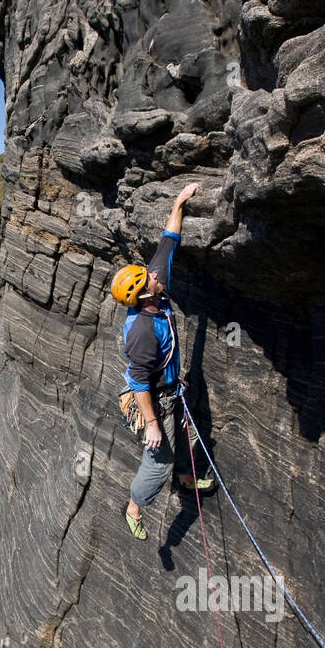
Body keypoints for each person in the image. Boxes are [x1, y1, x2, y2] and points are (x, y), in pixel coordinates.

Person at [112, 182, 214, 541]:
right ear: (143, 292)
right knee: (158, 460)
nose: (155, 274)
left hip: (169, 389)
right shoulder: (141, 330)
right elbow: (139, 382)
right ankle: (134, 507)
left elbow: (168, 240)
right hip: (152, 397)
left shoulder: (153, 289)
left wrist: (179, 201)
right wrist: (152, 424)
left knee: (186, 433)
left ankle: (186, 480)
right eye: (149, 277)